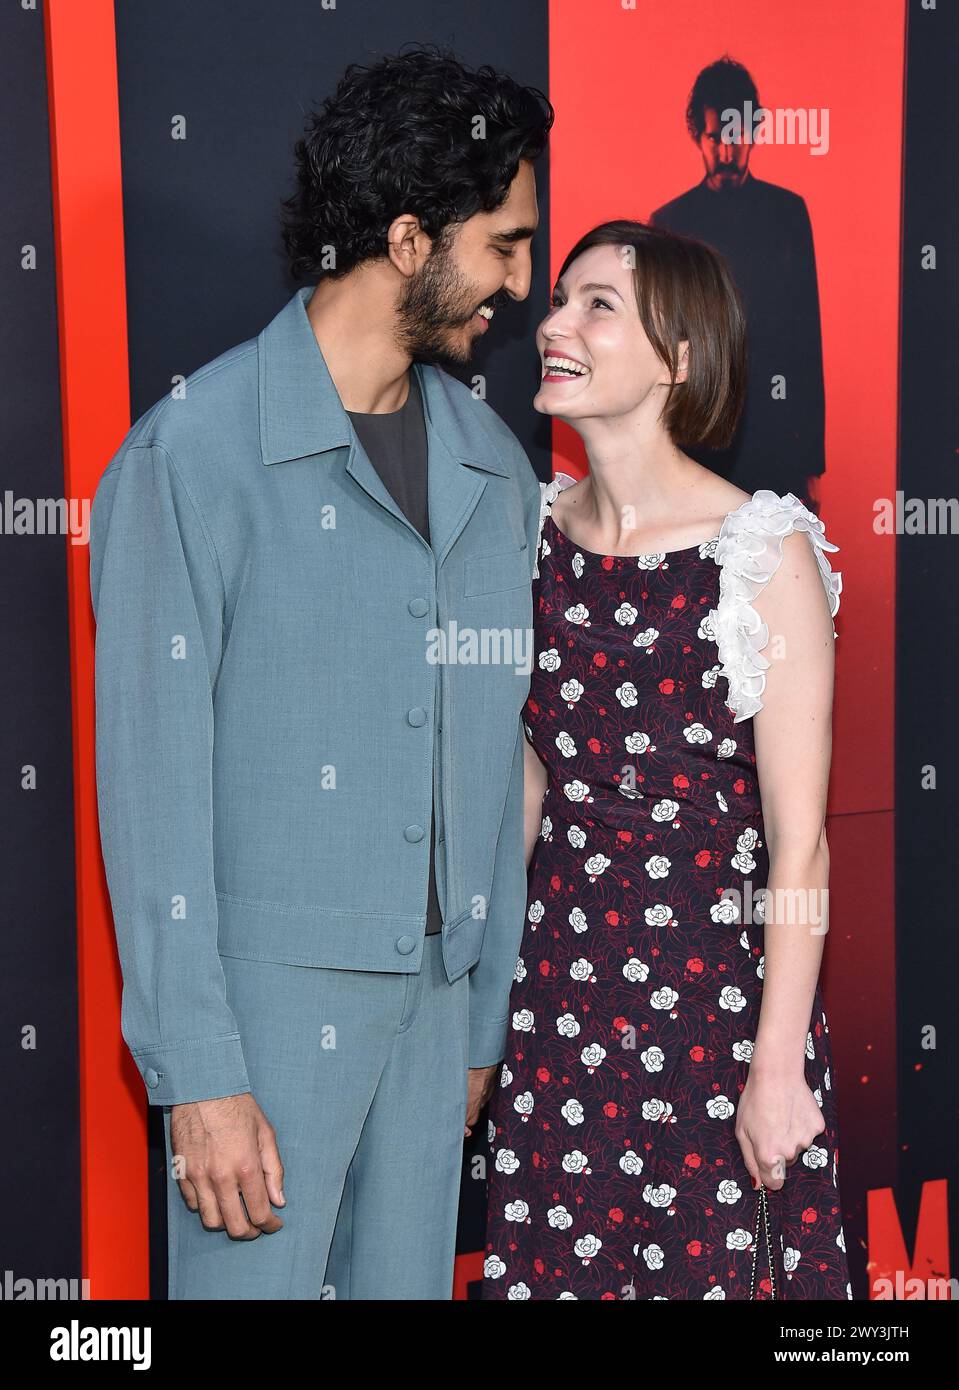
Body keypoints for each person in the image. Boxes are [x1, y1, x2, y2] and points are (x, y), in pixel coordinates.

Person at [88, 45, 553, 1300]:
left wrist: (480, 1016)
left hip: (437, 1022)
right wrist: (198, 1071)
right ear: (408, 239)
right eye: (500, 245)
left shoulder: (492, 466)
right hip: (261, 1026)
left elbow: (493, 754)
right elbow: (152, 791)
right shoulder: (192, 456)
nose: (519, 283)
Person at [482, 219, 852, 1300]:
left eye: (597, 304)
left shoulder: (759, 550)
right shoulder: (531, 537)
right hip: (559, 1005)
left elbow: (799, 849)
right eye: (559, 297)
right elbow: (531, 785)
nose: (553, 323)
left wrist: (774, 1067)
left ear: (676, 359)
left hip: (719, 1012)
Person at [651, 56, 826, 513]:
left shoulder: (788, 212)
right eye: (715, 138)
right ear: (697, 134)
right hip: (696, 432)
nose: (727, 152)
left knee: (776, 570)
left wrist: (812, 460)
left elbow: (807, 333)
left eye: (736, 137)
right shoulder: (669, 222)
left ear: (754, 131)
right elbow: (658, 346)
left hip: (775, 435)